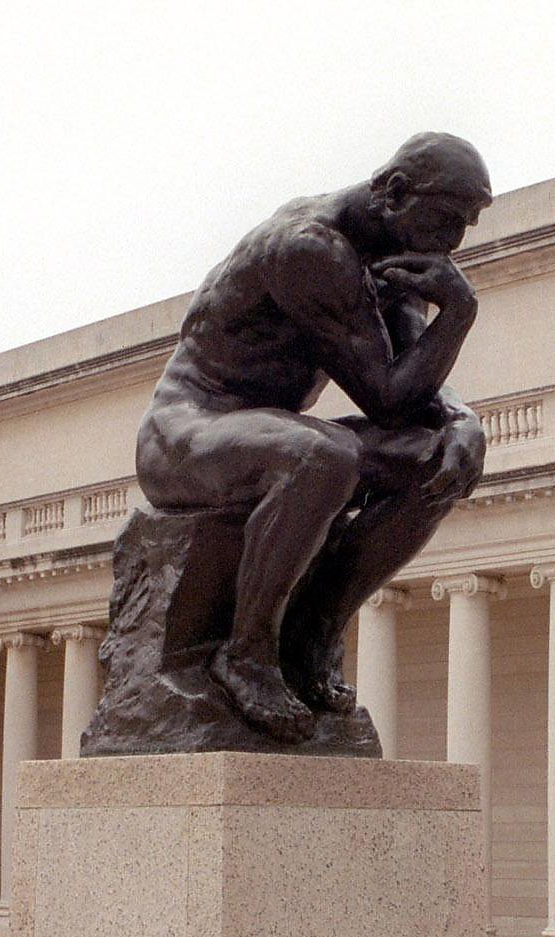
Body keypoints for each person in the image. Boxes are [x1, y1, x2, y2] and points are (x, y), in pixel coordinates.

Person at [136, 132, 493, 742]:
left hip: (267, 435)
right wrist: (459, 315)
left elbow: (416, 382)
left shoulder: (397, 256)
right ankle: (245, 653)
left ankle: (312, 632)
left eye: (467, 224)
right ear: (394, 192)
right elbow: (387, 396)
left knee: (438, 460)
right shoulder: (309, 247)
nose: (454, 243)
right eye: (446, 219)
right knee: (324, 458)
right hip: (186, 432)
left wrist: (463, 421)